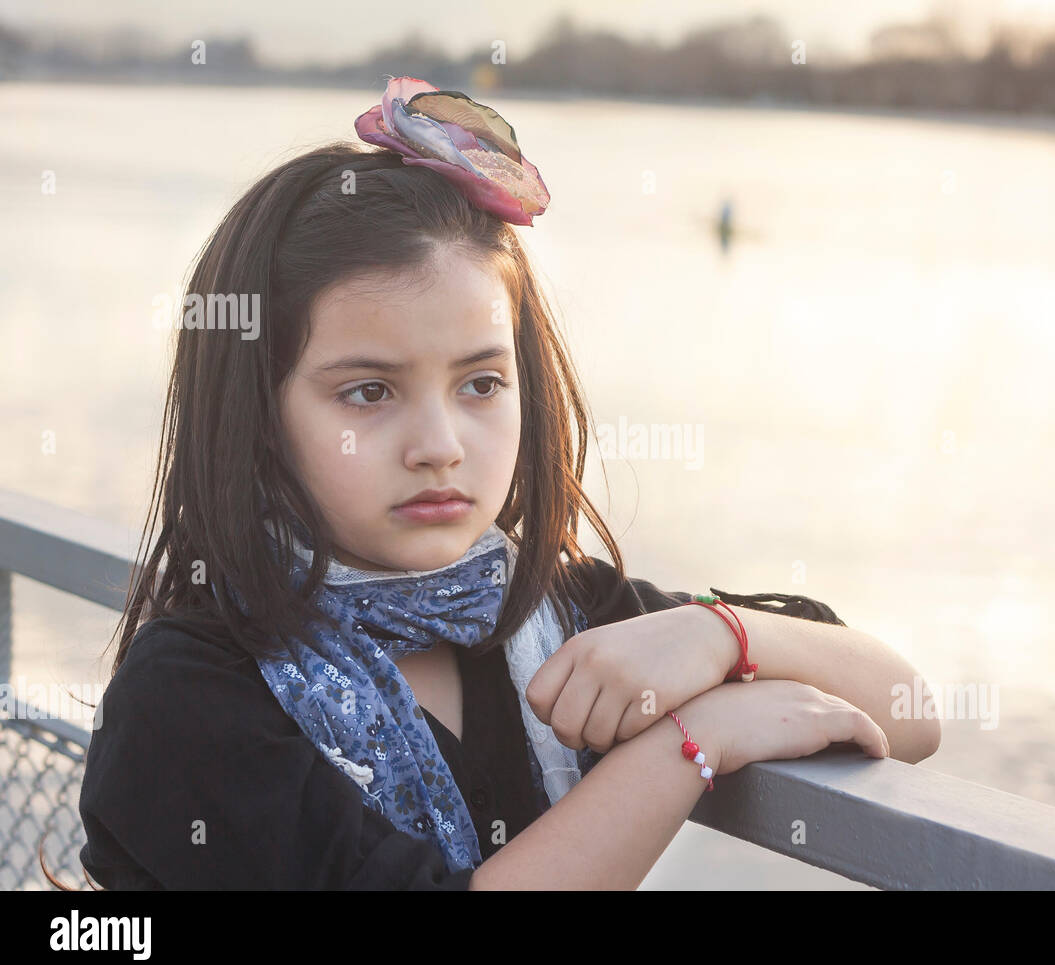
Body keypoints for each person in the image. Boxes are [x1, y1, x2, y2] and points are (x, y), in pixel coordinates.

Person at [70, 77, 940, 891]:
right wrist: (691, 741)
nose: (440, 446)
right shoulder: (185, 694)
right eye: (368, 392)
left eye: (481, 384)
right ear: (256, 418)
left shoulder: (548, 614)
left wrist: (720, 636)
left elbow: (910, 713)